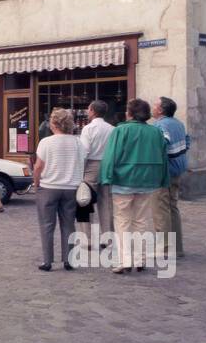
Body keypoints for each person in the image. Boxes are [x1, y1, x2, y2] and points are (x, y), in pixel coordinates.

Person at [99, 99, 169, 274]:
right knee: (142, 221)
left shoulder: (120, 130)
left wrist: (106, 178)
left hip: (123, 181)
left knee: (122, 222)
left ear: (129, 113)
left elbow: (110, 156)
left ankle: (125, 260)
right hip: (148, 181)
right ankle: (140, 259)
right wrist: (163, 179)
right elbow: (164, 157)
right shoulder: (155, 132)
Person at [32, 108, 85, 272]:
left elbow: (38, 166)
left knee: (47, 225)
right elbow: (82, 162)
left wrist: (36, 183)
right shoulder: (78, 142)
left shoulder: (46, 142)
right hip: (70, 187)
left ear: (53, 124)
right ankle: (68, 260)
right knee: (69, 224)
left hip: (49, 186)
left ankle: (47, 261)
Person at [153, 96, 189, 258]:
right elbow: (187, 142)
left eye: (155, 105)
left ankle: (165, 249)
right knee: (173, 208)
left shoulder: (160, 125)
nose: (153, 107)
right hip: (178, 169)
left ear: (161, 110)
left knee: (161, 209)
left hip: (164, 172)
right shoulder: (179, 124)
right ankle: (178, 248)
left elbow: (162, 144)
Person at [79, 100, 116, 246]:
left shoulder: (88, 129)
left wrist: (80, 170)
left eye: (88, 109)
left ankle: (86, 239)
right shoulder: (112, 129)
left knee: (83, 201)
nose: (87, 112)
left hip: (91, 166)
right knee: (106, 202)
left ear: (93, 111)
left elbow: (85, 151)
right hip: (107, 165)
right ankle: (107, 237)